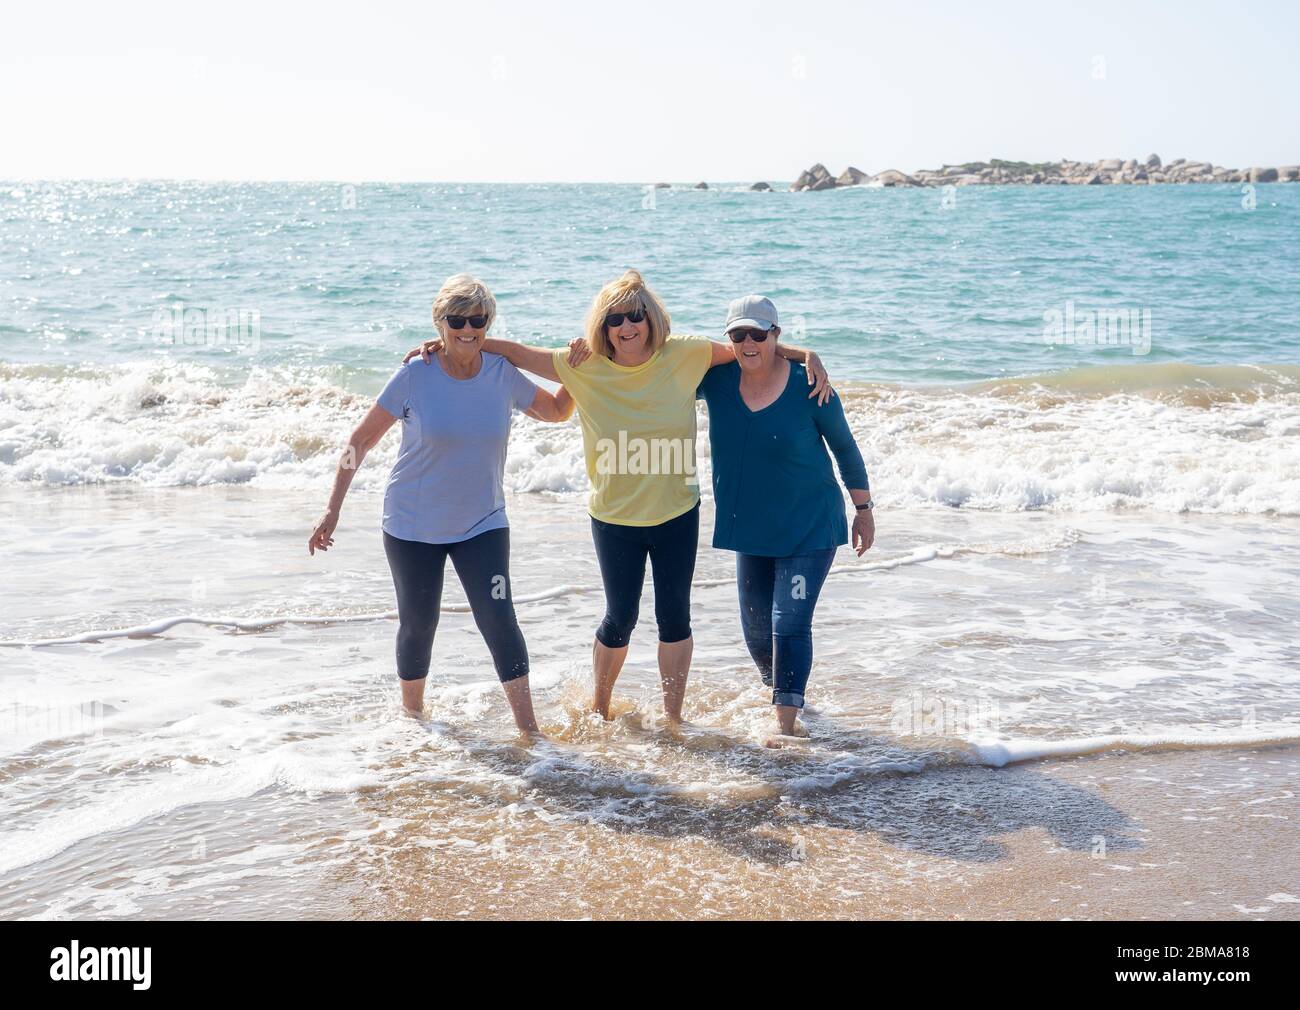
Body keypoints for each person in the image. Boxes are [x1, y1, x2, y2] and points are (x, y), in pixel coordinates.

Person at [405, 269, 833, 726]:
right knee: (619, 618)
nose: (626, 327)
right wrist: (453, 343)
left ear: (650, 318)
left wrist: (806, 353)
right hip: (614, 518)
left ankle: (673, 718)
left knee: (675, 618)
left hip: (676, 512)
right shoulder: (582, 364)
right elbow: (515, 352)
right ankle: (600, 707)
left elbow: (750, 350)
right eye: (614, 320)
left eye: (634, 316)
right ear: (603, 327)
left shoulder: (685, 353)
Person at [310, 274, 574, 734]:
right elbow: (360, 440)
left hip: (484, 523)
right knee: (418, 624)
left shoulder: (500, 373)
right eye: (457, 320)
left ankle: (531, 733)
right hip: (413, 527)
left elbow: (555, 411)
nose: (468, 329)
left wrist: (578, 370)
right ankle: (413, 722)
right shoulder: (416, 374)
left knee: (499, 618)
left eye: (478, 320)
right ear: (440, 323)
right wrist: (333, 509)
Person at [697, 295, 873, 746]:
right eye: (739, 335)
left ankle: (786, 727)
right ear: (729, 339)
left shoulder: (809, 386)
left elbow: (845, 448)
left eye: (760, 333)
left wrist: (864, 510)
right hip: (750, 527)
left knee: (788, 622)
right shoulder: (715, 381)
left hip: (809, 526)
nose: (749, 343)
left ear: (776, 335)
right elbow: (659, 368)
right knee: (756, 632)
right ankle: (788, 694)